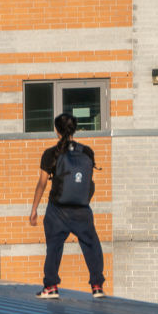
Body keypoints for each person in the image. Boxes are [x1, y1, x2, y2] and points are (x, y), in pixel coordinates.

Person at [28, 113, 106, 299]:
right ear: (74, 130)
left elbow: (42, 183)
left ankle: (51, 287)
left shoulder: (50, 154)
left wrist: (34, 209)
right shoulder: (87, 152)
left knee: (54, 247)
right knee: (91, 244)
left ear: (56, 130)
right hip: (82, 209)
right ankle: (97, 286)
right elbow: (88, 182)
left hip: (58, 210)